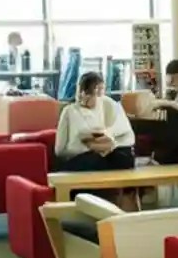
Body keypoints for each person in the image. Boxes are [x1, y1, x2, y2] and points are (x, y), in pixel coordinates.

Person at [55, 72, 137, 208]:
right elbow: (60, 150)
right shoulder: (69, 111)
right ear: (80, 92)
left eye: (98, 92)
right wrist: (88, 145)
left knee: (124, 157)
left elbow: (128, 136)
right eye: (88, 93)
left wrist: (110, 142)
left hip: (110, 154)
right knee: (91, 160)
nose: (92, 98)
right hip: (83, 158)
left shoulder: (110, 105)